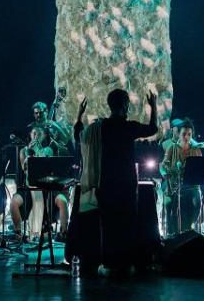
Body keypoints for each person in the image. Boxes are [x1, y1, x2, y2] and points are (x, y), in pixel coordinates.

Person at [68, 88, 158, 276]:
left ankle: (108, 263)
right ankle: (126, 263)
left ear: (109, 105)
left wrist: (79, 113)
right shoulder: (129, 127)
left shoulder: (100, 127)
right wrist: (154, 106)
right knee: (127, 224)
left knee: (107, 226)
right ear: (125, 105)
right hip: (126, 183)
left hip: (106, 182)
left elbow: (79, 135)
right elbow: (152, 129)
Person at [10, 124, 69, 241]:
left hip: (48, 188)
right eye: (34, 134)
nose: (36, 136)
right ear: (30, 135)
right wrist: (29, 155)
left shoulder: (48, 149)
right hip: (31, 188)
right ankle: (18, 233)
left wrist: (39, 150)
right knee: (13, 203)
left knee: (62, 201)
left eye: (39, 134)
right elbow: (24, 167)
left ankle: (63, 233)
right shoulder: (24, 151)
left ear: (44, 136)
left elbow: (48, 165)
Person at [161, 119, 203, 236]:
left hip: (192, 185)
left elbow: (200, 169)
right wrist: (166, 172)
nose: (186, 137)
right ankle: (170, 231)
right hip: (175, 184)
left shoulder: (196, 150)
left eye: (189, 134)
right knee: (169, 203)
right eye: (184, 134)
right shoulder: (172, 148)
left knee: (196, 201)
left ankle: (189, 229)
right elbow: (164, 166)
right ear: (179, 134)